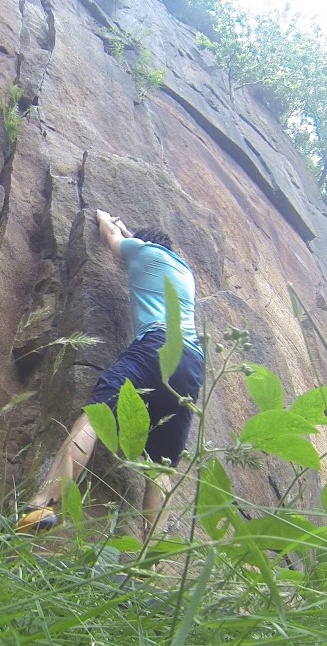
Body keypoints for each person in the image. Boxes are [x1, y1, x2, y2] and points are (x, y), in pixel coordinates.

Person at [16, 209, 205, 537]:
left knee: (96, 415)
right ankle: (151, 555)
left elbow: (113, 239)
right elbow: (136, 243)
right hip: (192, 363)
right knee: (160, 465)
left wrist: (105, 219)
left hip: (156, 344)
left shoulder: (142, 252)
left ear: (143, 243)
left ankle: (43, 505)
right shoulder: (185, 272)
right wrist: (132, 234)